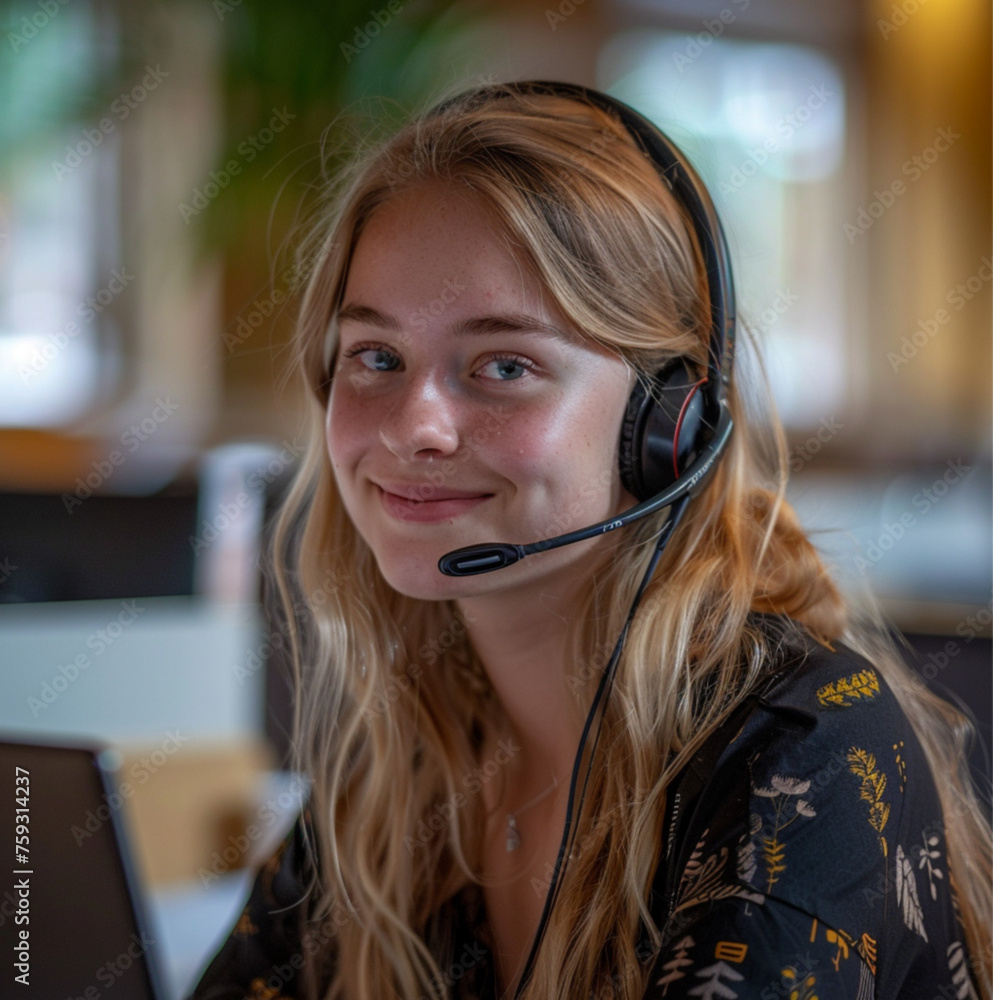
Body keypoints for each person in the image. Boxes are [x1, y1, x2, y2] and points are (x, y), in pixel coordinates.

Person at [188, 80, 991, 1000]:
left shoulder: (803, 760)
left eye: (503, 366)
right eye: (377, 356)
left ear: (665, 427)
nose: (416, 425)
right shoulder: (406, 757)